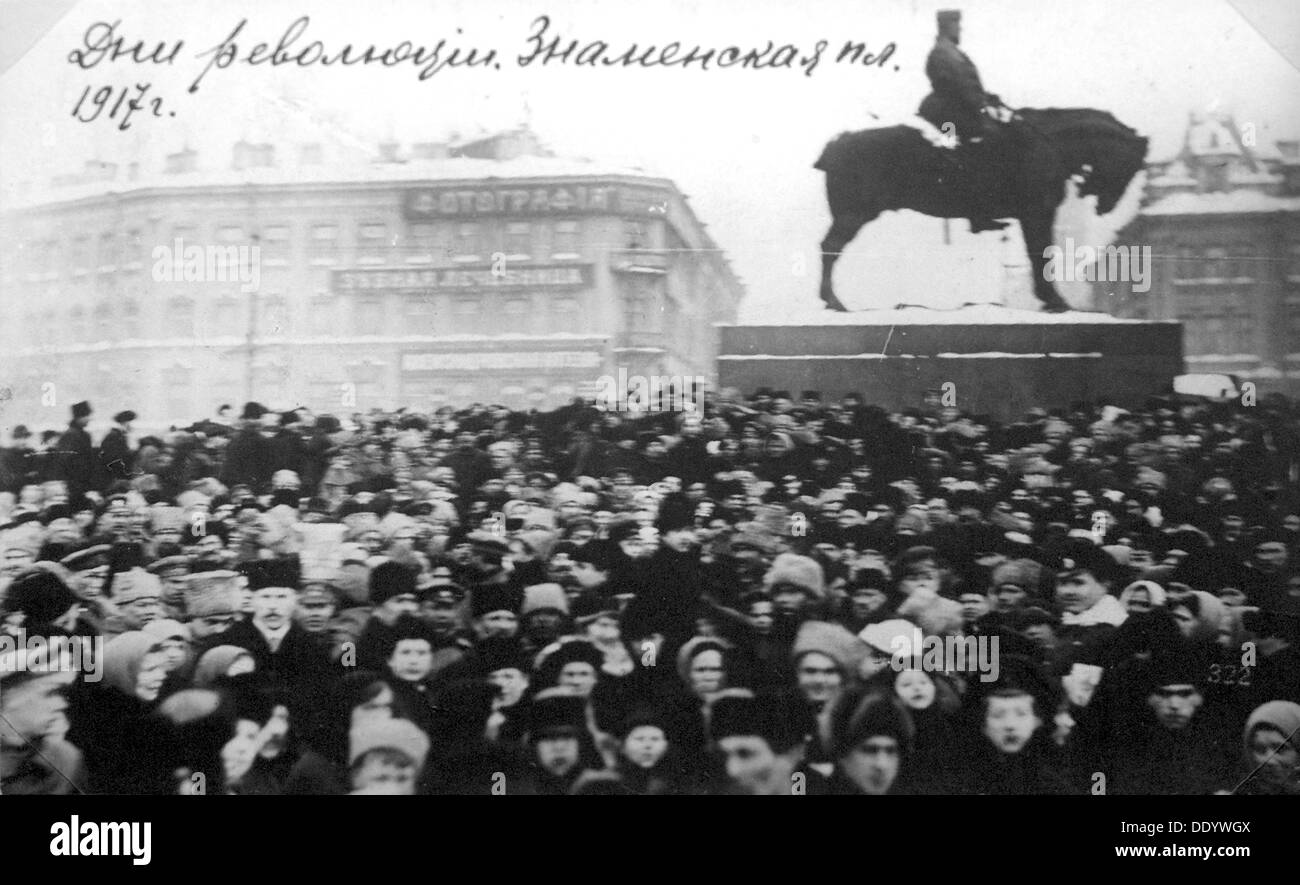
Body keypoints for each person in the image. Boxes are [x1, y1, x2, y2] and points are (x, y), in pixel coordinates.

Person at [915, 9, 1011, 233]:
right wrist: (979, 106)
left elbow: (967, 86)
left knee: (990, 138)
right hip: (948, 119)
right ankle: (978, 213)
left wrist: (987, 99)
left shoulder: (950, 52)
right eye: (956, 25)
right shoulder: (942, 52)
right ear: (947, 26)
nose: (960, 29)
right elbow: (956, 87)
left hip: (956, 113)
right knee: (983, 144)